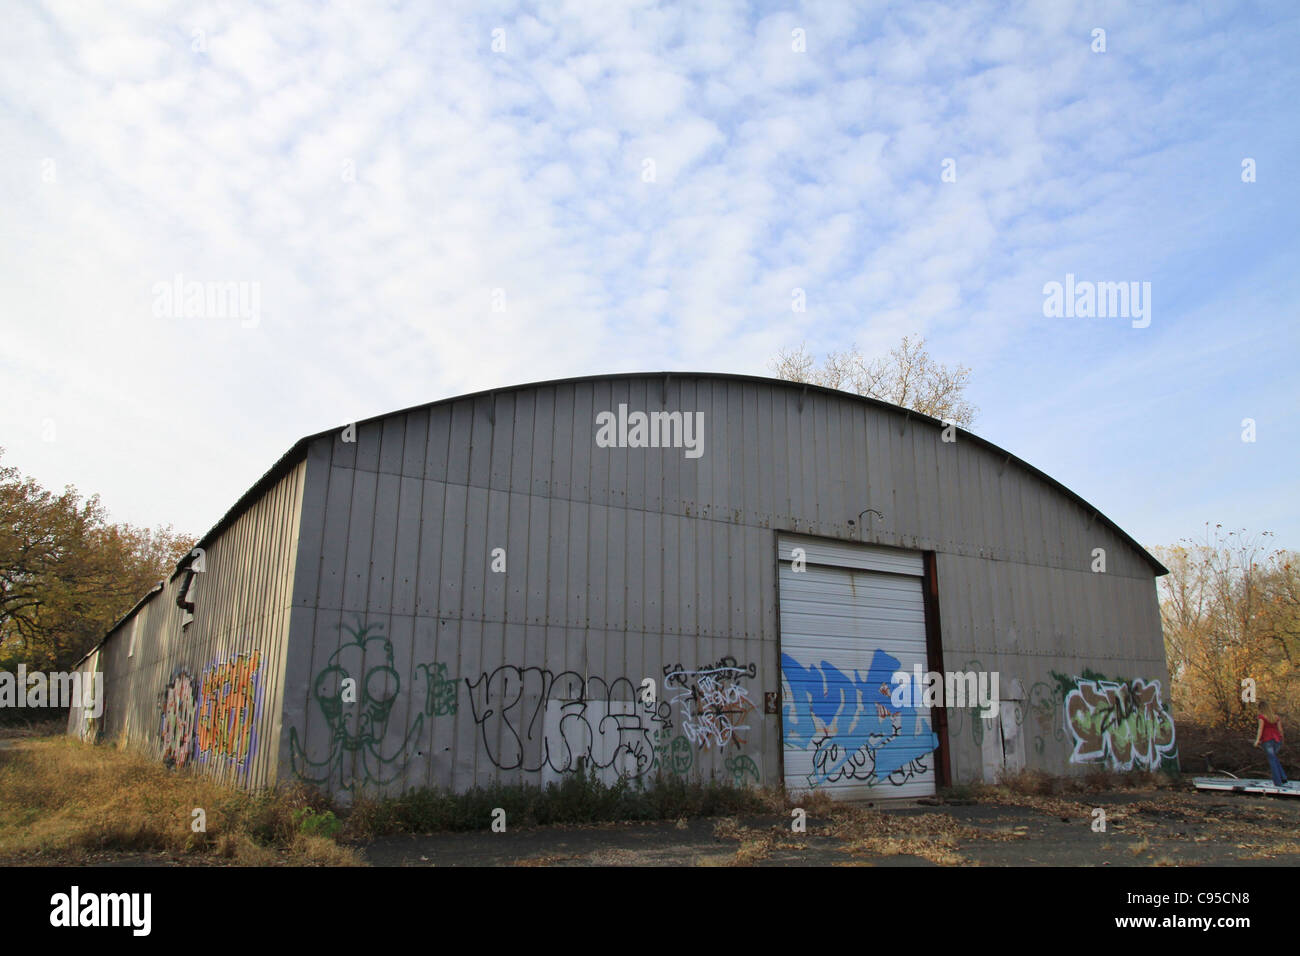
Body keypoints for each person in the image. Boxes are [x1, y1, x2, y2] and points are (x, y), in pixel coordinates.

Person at [1253, 701, 1288, 788]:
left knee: (1272, 760)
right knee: (1274, 758)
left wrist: (1257, 740)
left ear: (1261, 709)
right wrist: (1282, 739)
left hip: (1267, 740)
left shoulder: (1261, 717)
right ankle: (1283, 777)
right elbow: (1280, 730)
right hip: (1277, 740)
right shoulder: (1276, 718)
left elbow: (1260, 729)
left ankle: (1278, 782)